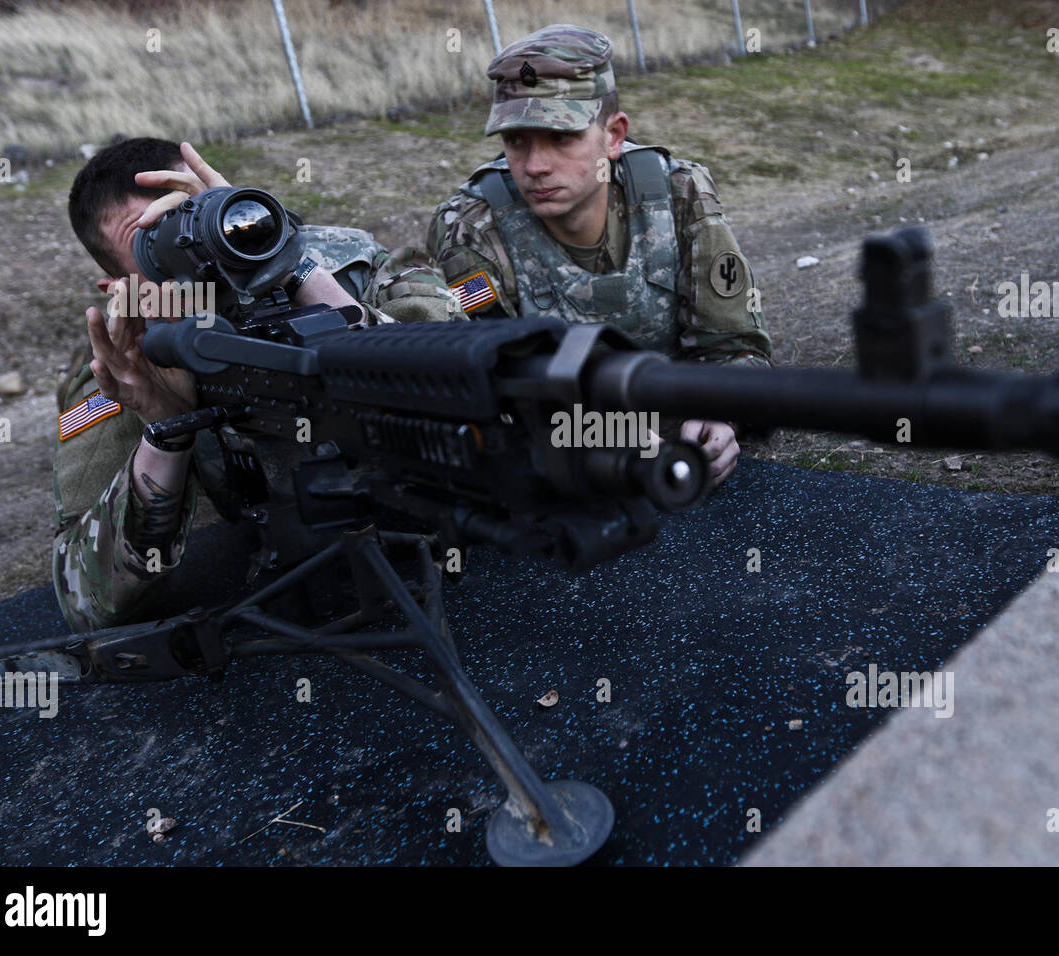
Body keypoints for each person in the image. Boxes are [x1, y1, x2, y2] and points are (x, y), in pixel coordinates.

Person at [55, 137, 456, 632]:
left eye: (194, 221)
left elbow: (468, 389)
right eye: (156, 252)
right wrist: (165, 428)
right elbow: (88, 601)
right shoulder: (126, 365)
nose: (199, 263)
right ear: (119, 290)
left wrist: (292, 270)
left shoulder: (349, 265)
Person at [427, 24, 772, 487]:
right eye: (516, 141)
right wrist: (605, 434)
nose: (535, 166)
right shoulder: (472, 229)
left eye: (561, 138)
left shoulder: (677, 193)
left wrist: (722, 414)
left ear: (613, 136)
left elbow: (736, 346)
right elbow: (492, 398)